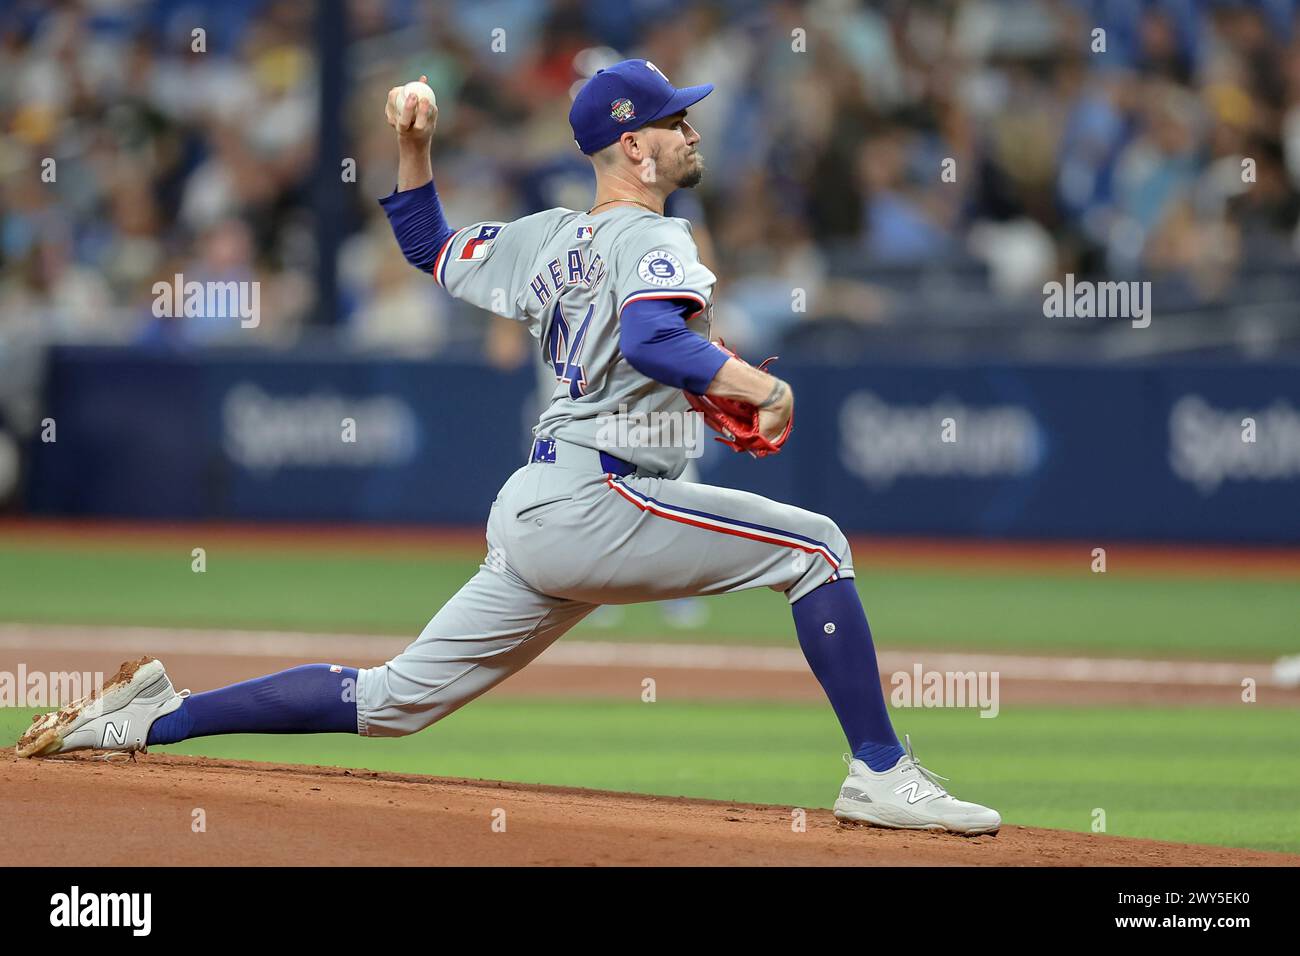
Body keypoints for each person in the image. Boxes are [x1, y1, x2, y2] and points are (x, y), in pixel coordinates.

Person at [16, 61, 999, 835]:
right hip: (601, 500)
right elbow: (658, 337)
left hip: (542, 507)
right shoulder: (656, 237)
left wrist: (412, 145)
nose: (691, 128)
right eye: (673, 119)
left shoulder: (546, 236)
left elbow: (425, 242)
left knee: (396, 697)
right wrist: (758, 381)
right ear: (633, 147)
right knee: (817, 544)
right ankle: (879, 770)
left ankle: (150, 714)